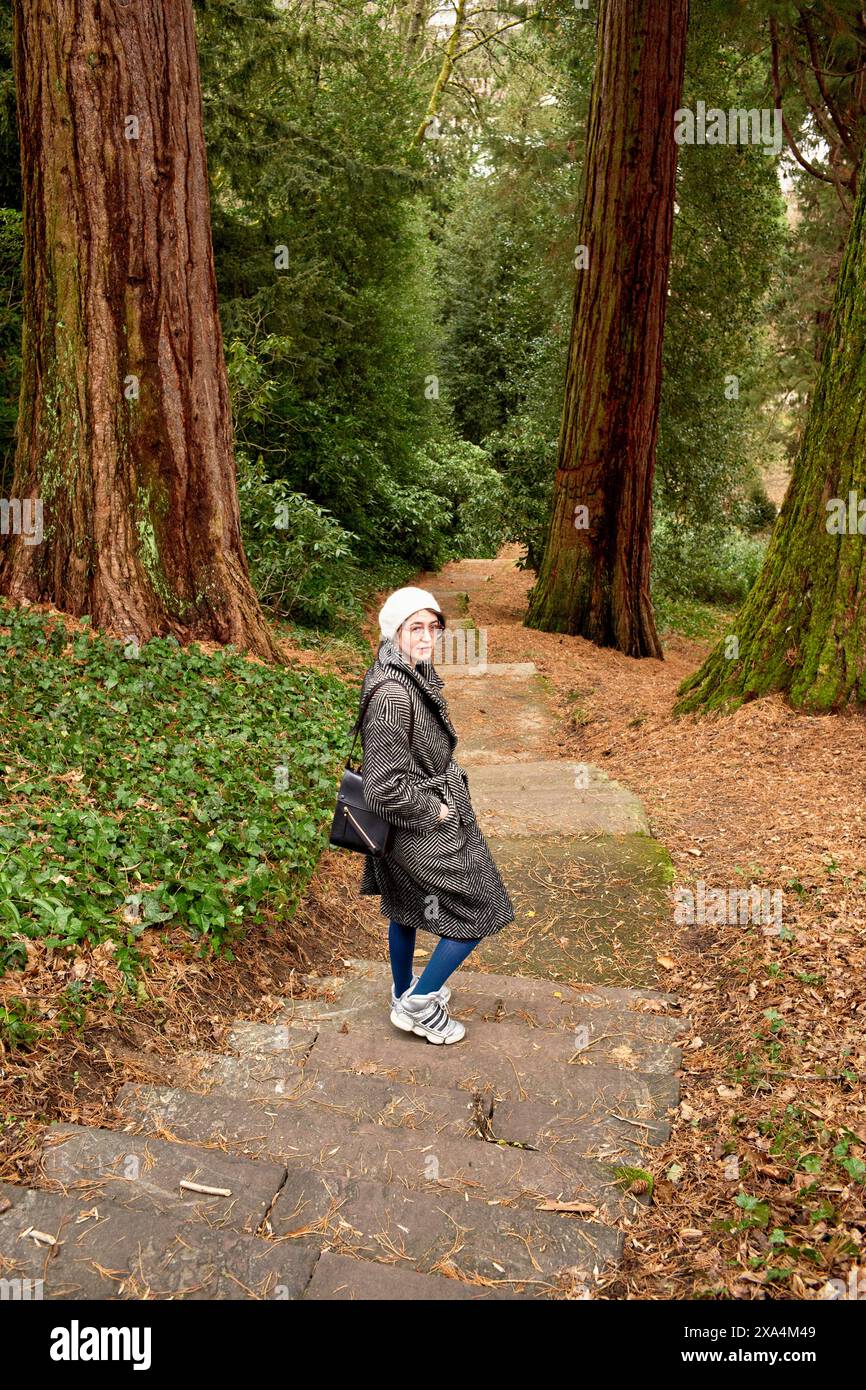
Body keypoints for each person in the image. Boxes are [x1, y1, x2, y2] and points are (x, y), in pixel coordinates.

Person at [357, 586, 515, 1044]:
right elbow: (384, 786)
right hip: (419, 823)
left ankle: (402, 989)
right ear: (395, 631)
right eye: (416, 628)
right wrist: (438, 810)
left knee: (405, 908)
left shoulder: (407, 671)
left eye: (434, 626)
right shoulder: (393, 693)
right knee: (483, 909)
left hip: (405, 824)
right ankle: (419, 1004)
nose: (427, 637)